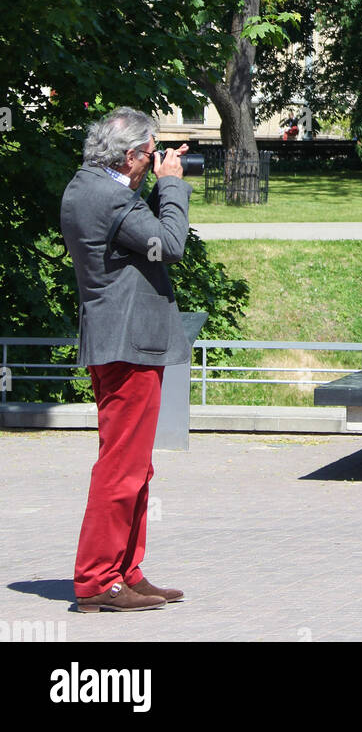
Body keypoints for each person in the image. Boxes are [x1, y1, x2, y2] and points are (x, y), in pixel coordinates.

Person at [60, 107, 192, 613]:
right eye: (150, 152)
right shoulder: (111, 197)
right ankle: (97, 580)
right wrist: (173, 185)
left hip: (117, 342)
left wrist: (153, 180)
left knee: (135, 467)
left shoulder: (86, 187)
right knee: (121, 467)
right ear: (133, 155)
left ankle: (125, 571)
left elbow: (131, 231)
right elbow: (171, 244)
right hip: (127, 346)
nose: (154, 160)